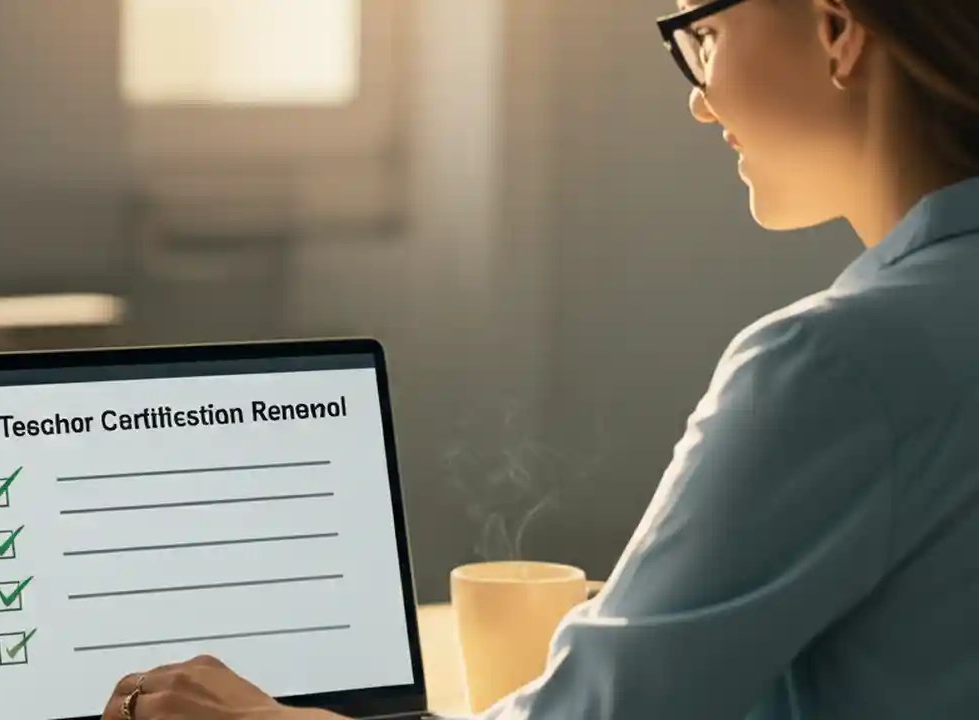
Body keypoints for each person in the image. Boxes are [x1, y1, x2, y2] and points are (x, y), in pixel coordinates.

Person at [101, 0, 979, 717]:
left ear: (837, 30)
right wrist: (679, 617)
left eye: (704, 36)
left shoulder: (834, 365)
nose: (700, 99)